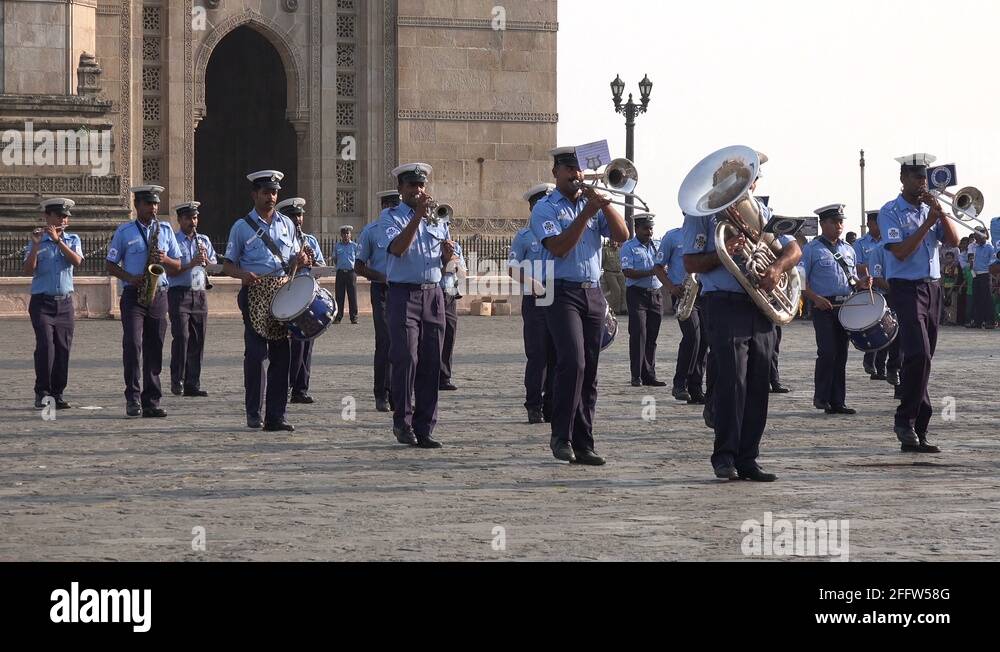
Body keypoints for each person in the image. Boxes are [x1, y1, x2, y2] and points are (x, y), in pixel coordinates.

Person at [682, 150, 802, 481]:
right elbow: (691, 263)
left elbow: (793, 249)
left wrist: (776, 267)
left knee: (758, 383)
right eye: (734, 178)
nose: (743, 184)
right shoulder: (702, 214)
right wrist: (724, 254)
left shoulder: (762, 211)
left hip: (758, 303)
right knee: (732, 381)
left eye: (746, 178)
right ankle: (724, 456)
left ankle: (749, 457)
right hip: (724, 301)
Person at [531, 146, 629, 465]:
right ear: (555, 173)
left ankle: (584, 441)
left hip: (593, 292)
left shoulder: (592, 205)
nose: (575, 175)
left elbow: (622, 234)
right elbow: (558, 248)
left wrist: (606, 206)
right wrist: (587, 213)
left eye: (579, 170)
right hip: (561, 292)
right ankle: (561, 436)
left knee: (590, 370)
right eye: (569, 170)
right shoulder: (545, 209)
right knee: (572, 362)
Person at [877, 153, 959, 453]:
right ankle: (905, 418)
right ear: (902, 179)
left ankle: (918, 430)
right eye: (915, 177)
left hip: (932, 287)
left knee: (924, 360)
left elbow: (953, 242)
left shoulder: (931, 208)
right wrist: (927, 223)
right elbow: (900, 251)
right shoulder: (891, 212)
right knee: (918, 354)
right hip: (906, 289)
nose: (921, 182)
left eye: (924, 177)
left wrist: (942, 215)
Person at [222, 170, 308, 431]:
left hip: (282, 294)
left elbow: (293, 258)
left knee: (282, 356)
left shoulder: (288, 225)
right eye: (266, 192)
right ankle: (253, 411)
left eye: (274, 192)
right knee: (257, 354)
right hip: (255, 292)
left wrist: (300, 260)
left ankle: (276, 416)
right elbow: (227, 265)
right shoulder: (241, 227)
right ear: (255, 194)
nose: (271, 197)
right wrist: (242, 275)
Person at [381, 162, 456, 449]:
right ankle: (403, 422)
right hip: (404, 295)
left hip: (433, 294)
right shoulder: (391, 218)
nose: (418, 190)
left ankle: (425, 426)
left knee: (431, 362)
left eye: (421, 185)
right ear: (401, 189)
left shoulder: (438, 218)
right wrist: (416, 217)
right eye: (412, 185)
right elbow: (398, 248)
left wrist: (447, 256)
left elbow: (444, 257)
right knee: (406, 359)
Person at [106, 186, 182, 418]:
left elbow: (177, 265)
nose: (154, 208)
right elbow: (110, 264)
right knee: (133, 344)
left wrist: (164, 258)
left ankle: (151, 400)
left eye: (156, 204)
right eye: (149, 204)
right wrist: (131, 278)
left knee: (155, 346)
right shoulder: (124, 231)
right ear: (137, 205)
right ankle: (133, 397)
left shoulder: (166, 230)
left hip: (159, 295)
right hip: (133, 295)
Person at [799, 204, 870, 415]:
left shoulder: (849, 249)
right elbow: (801, 281)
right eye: (834, 222)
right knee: (827, 352)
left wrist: (862, 283)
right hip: (824, 306)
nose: (839, 226)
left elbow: (852, 280)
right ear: (823, 224)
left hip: (845, 306)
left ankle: (838, 401)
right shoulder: (812, 249)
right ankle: (821, 397)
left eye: (841, 222)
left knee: (841, 355)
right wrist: (815, 298)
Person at [23, 198, 84, 410]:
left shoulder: (73, 239)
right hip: (42, 303)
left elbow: (77, 261)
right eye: (59, 216)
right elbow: (28, 270)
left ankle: (57, 393)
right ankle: (42, 391)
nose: (63, 220)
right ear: (47, 217)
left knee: (63, 349)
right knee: (46, 347)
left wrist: (59, 241)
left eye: (65, 216)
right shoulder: (36, 241)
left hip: (65, 303)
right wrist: (36, 245)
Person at [509, 182, 556, 424]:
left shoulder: (560, 231)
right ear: (532, 208)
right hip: (536, 300)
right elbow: (512, 268)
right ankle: (534, 405)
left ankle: (553, 404)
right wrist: (532, 282)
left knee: (557, 355)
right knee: (538, 355)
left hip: (560, 297)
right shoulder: (525, 237)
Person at [277, 197, 327, 403]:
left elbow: (321, 269)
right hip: (288, 297)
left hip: (306, 299)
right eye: (293, 216)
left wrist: (313, 261)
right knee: (290, 345)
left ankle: (301, 388)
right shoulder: (282, 240)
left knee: (306, 343)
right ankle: (286, 385)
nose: (297, 219)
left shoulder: (311, 241)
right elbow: (277, 268)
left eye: (299, 215)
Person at [166, 201, 216, 398]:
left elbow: (213, 264)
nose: (192, 222)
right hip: (179, 292)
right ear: (179, 220)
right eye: (188, 218)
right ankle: (177, 379)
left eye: (194, 218)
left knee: (198, 339)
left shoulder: (203, 240)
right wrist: (190, 263)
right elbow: (170, 269)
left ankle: (192, 383)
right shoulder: (173, 240)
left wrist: (205, 261)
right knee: (182, 337)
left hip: (199, 291)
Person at [356, 190, 400, 412]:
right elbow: (359, 265)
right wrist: (380, 276)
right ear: (382, 206)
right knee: (385, 341)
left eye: (396, 203)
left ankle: (399, 393)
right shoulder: (370, 232)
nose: (392, 207)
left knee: (405, 344)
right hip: (382, 290)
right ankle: (381, 392)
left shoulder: (409, 230)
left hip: (404, 291)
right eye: (389, 204)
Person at [656, 224, 708, 403]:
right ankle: (680, 383)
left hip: (706, 292)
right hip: (685, 293)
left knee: (704, 341)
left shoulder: (709, 234)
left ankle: (696, 387)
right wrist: (671, 287)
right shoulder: (672, 236)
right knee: (693, 336)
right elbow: (658, 267)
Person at [853, 209, 900, 382]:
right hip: (871, 291)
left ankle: (881, 368)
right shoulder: (861, 243)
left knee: (887, 330)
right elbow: (856, 266)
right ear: (869, 224)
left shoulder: (891, 241)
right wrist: (871, 266)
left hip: (889, 291)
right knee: (872, 329)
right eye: (876, 224)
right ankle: (869, 360)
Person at [621, 213, 667, 387]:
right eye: (646, 228)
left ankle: (649, 374)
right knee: (639, 334)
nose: (650, 232)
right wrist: (652, 272)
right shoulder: (629, 247)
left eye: (651, 228)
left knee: (652, 336)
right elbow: (628, 272)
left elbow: (663, 265)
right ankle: (636, 375)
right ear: (637, 228)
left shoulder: (657, 246)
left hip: (655, 293)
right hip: (637, 294)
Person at [439, 241, 466, 391]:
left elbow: (463, 274)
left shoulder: (456, 247)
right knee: (434, 335)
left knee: (450, 333)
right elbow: (434, 273)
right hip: (435, 290)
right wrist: (446, 261)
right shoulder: (431, 245)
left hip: (450, 292)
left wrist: (455, 265)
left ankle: (444, 376)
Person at [967, 226, 997, 329]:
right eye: (975, 235)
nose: (975, 237)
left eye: (977, 235)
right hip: (975, 275)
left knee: (987, 299)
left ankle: (990, 321)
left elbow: (993, 262)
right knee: (976, 299)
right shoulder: (975, 247)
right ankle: (977, 321)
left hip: (985, 275)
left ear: (983, 235)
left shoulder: (990, 248)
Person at [333, 226, 360, 324]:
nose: (346, 235)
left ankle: (354, 317)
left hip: (351, 273)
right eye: (344, 234)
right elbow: (335, 259)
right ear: (341, 235)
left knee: (352, 296)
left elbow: (358, 259)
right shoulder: (337, 246)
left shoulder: (354, 246)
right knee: (339, 296)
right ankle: (338, 317)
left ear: (350, 234)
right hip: (340, 273)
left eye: (347, 233)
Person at [601, 239, 627, 315]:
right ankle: (615, 309)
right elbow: (602, 261)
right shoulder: (605, 250)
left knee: (624, 290)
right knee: (616, 290)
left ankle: (623, 309)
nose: (614, 242)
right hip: (609, 273)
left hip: (620, 272)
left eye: (616, 241)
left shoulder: (620, 250)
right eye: (612, 241)